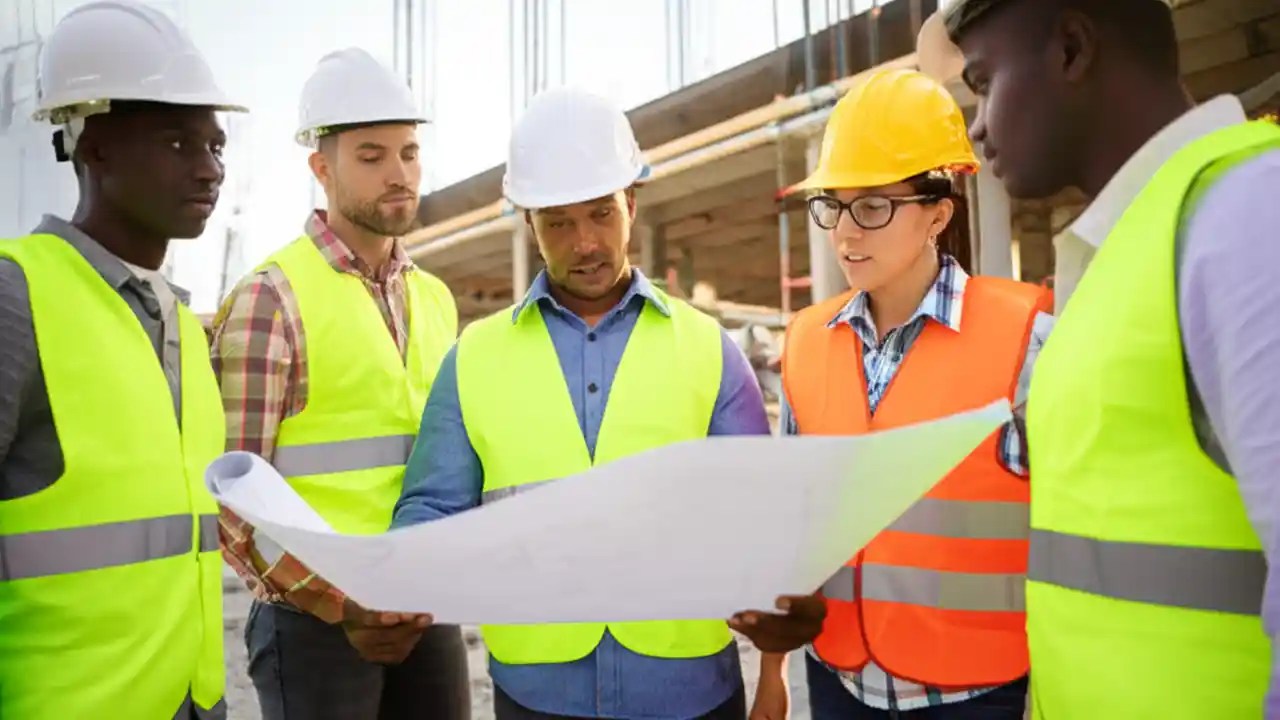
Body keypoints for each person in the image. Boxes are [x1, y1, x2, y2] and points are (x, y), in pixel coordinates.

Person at [391, 85, 825, 720]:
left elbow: (757, 520)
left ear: (631, 200)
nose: (585, 243)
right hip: (537, 693)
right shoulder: (474, 357)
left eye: (600, 214)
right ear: (528, 222)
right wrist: (391, 588)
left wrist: (776, 650)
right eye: (558, 223)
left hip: (690, 693)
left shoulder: (708, 347)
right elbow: (431, 507)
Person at [937, 0, 1280, 717]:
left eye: (982, 81)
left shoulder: (1247, 216)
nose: (975, 124)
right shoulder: (1128, 251)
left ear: (1070, 48)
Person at [751, 68, 1054, 720]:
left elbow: (1071, 538)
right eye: (834, 203)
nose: (846, 232)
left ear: (937, 215)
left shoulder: (1027, 339)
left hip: (976, 693)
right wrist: (770, 672)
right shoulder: (805, 342)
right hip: (838, 682)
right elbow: (795, 525)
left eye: (873, 205)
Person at [0, 2, 245, 717]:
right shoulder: (17, 295)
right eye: (177, 145)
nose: (209, 171)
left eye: (216, 147)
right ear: (94, 149)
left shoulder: (180, 321)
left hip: (196, 701)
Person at [211, 48, 468, 720]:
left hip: (425, 606)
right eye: (372, 155)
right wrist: (340, 601)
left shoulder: (436, 299)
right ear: (321, 168)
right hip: (314, 623)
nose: (399, 174)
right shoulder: (273, 297)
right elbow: (229, 497)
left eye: (409, 153)